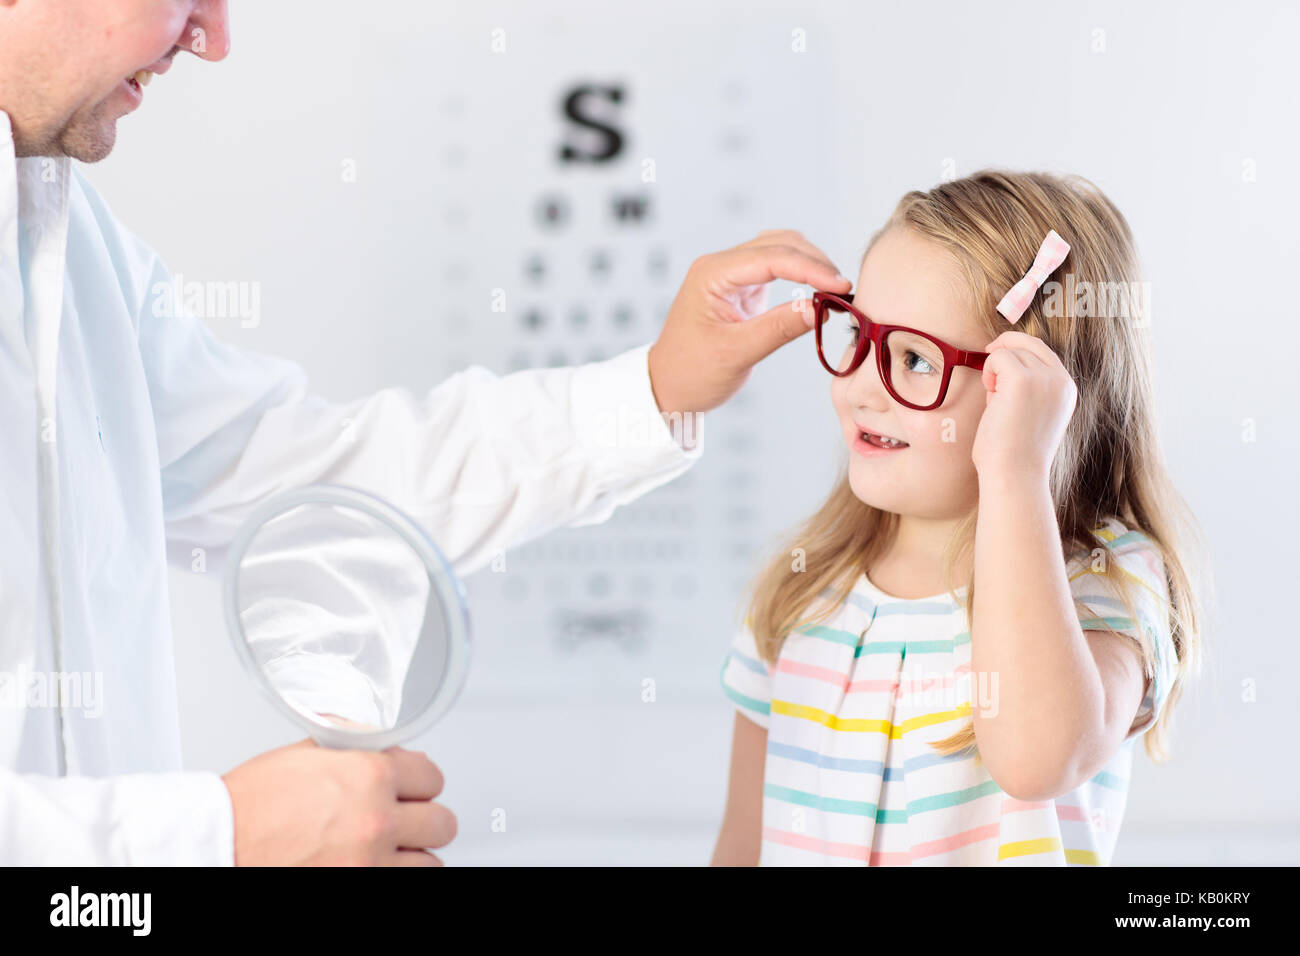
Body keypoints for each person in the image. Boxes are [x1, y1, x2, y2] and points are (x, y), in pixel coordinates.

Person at [0, 0, 853, 865]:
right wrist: (222, 836)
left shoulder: (71, 244)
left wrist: (657, 385)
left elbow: (313, 485)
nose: (212, 38)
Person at [713, 170, 1209, 866]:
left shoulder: (1105, 584)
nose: (858, 386)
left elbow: (1036, 759)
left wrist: (1013, 472)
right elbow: (742, 845)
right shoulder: (800, 590)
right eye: (858, 335)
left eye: (915, 358)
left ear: (1039, 396)